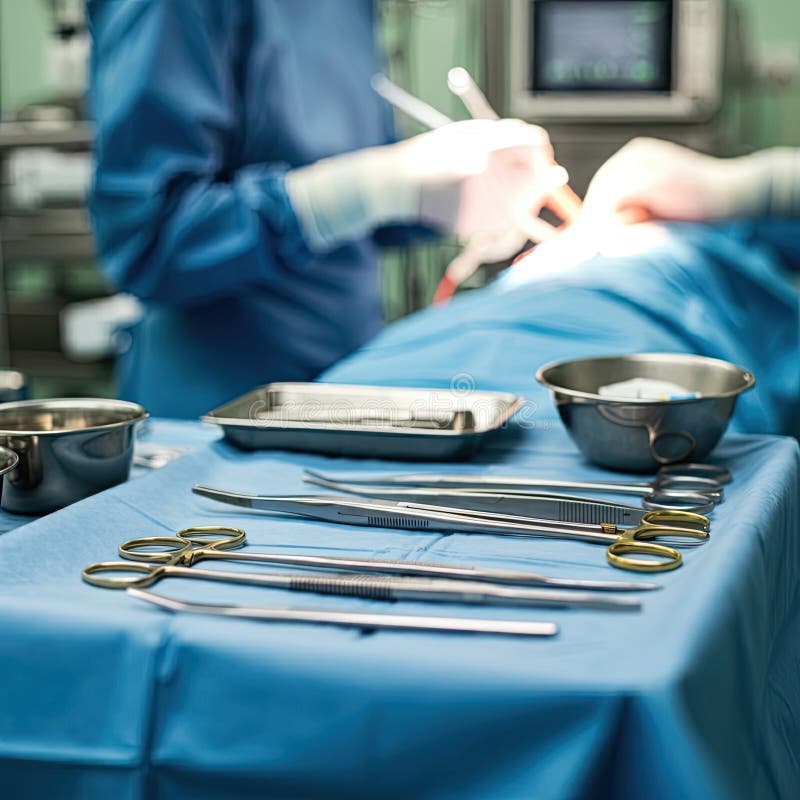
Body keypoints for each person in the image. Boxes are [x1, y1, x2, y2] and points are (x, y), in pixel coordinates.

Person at [87, 0, 560, 418]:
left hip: (345, 387)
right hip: (215, 412)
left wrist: (442, 194)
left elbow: (343, 197)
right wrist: (372, 186)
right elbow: (147, 243)